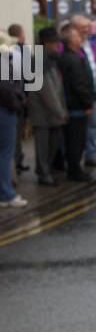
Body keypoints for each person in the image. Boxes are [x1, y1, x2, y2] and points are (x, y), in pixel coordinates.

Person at [28, 27, 68, 186]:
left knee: (51, 144)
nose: (58, 45)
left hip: (50, 112)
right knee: (44, 146)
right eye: (55, 42)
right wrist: (59, 111)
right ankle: (43, 173)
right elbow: (46, 90)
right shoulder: (38, 60)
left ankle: (46, 170)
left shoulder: (47, 58)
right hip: (43, 113)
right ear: (46, 43)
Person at [57, 24, 93, 181]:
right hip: (77, 106)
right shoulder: (75, 59)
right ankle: (75, 171)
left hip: (67, 104)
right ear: (72, 41)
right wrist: (88, 104)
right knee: (76, 140)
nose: (81, 40)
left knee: (70, 139)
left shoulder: (63, 57)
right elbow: (80, 85)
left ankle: (72, 168)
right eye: (78, 37)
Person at [72, 16, 96, 167]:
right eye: (82, 27)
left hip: (95, 91)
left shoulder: (93, 43)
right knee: (78, 129)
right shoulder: (70, 46)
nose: (86, 30)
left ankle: (91, 155)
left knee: (93, 126)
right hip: (78, 94)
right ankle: (75, 160)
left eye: (88, 26)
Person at [0, 31, 27, 207]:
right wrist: (18, 102)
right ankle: (6, 194)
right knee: (5, 153)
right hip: (4, 111)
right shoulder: (2, 62)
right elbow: (7, 89)